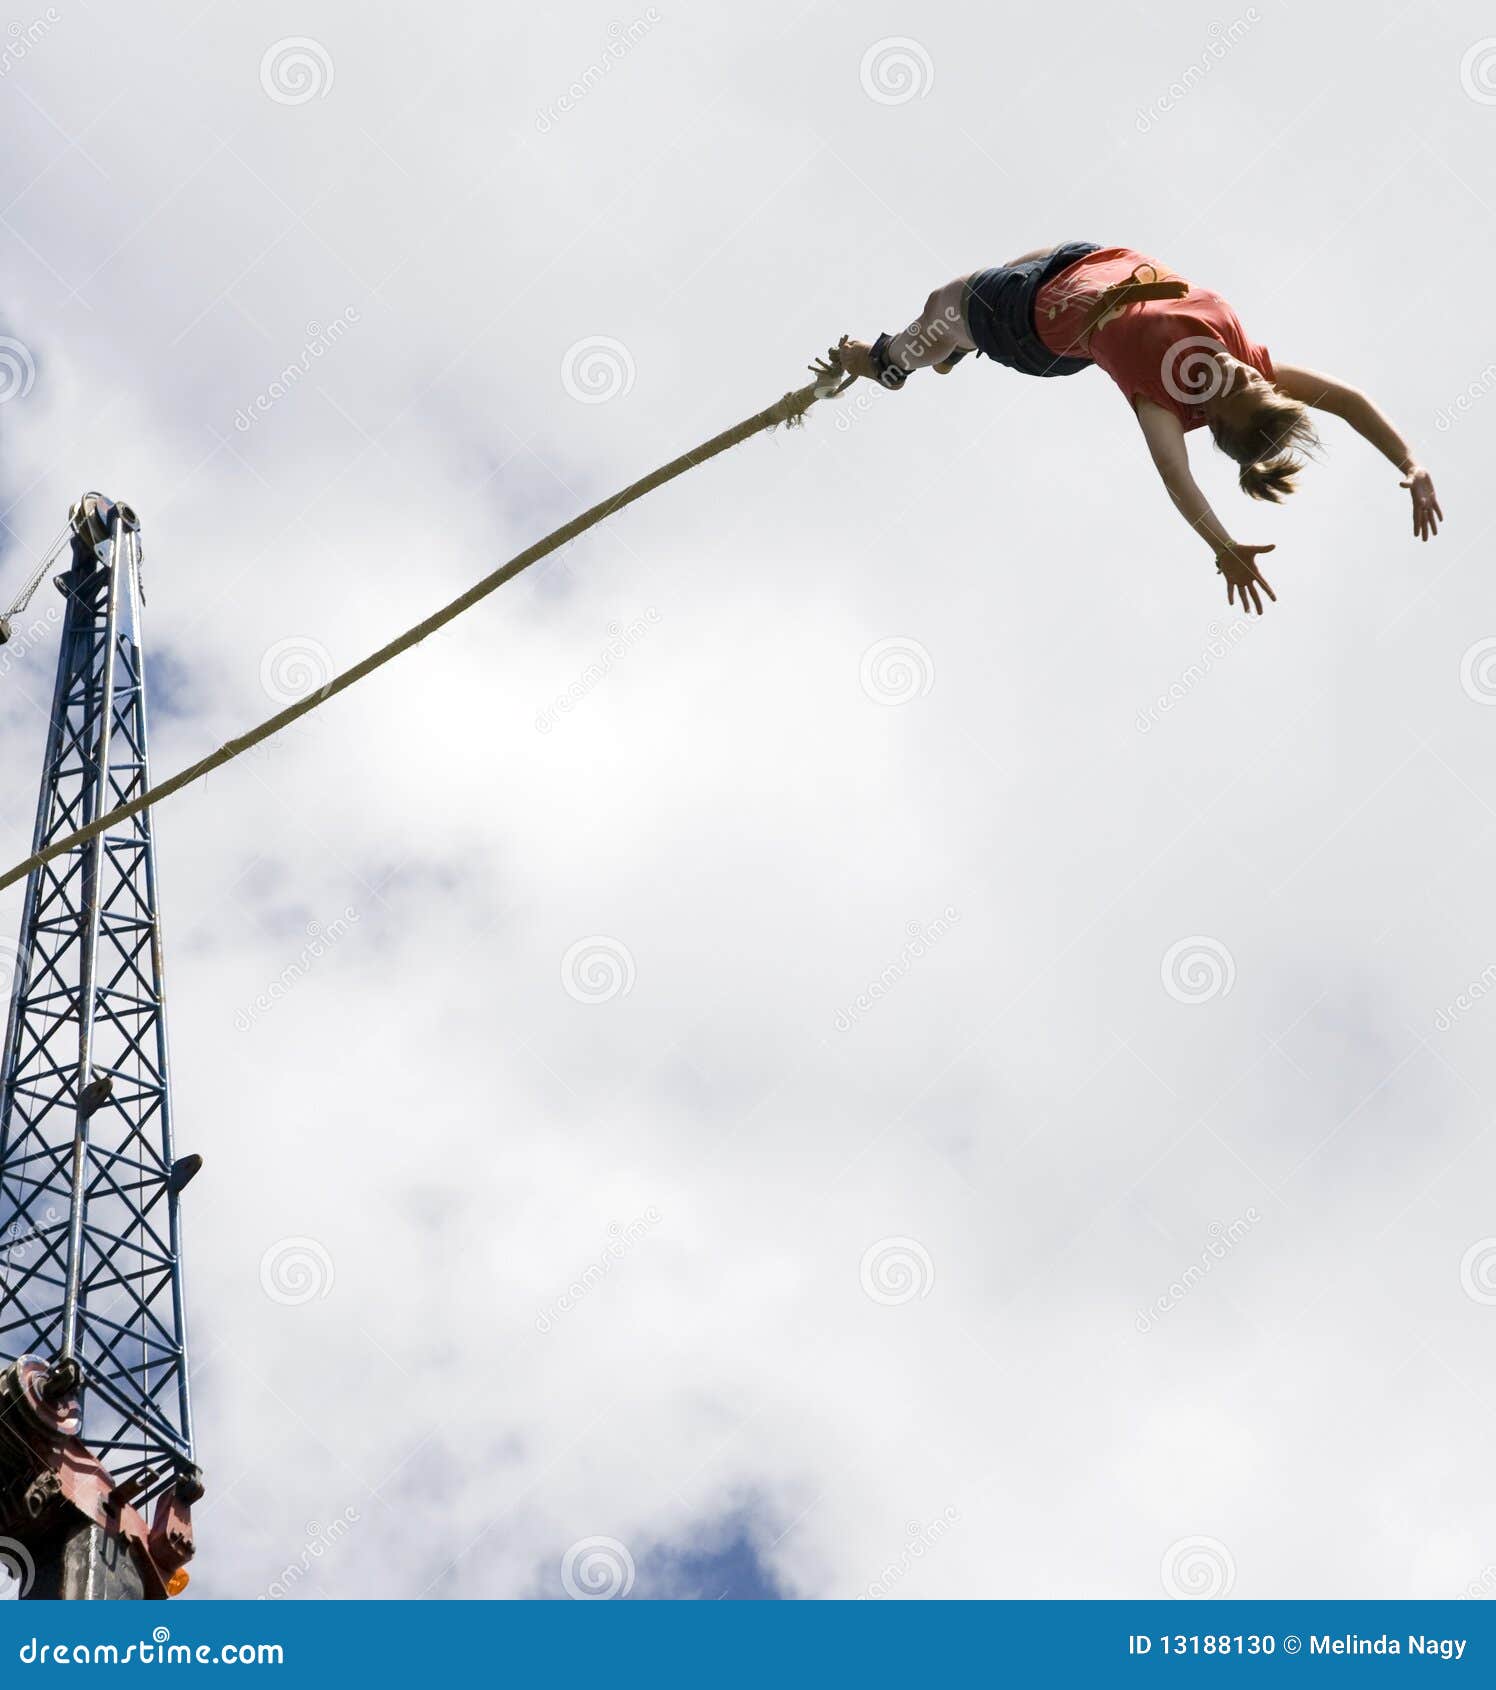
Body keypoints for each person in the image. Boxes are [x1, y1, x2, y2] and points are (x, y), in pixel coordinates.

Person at [826, 243, 1443, 615]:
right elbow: (1349, 400)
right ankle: (947, 348)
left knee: (945, 307)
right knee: (968, 303)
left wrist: (1223, 547)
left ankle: (884, 362)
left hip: (1026, 321)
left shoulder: (1163, 405)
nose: (1240, 372)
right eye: (1255, 382)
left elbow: (1177, 478)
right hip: (1083, 261)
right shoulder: (1253, 366)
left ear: (1216, 421)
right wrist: (1410, 464)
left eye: (1236, 391)